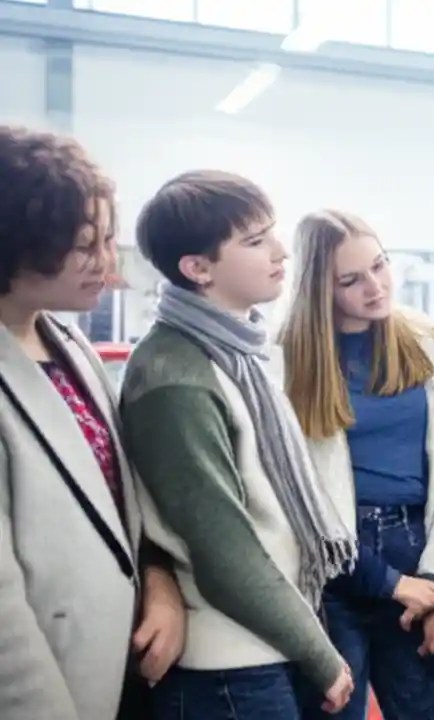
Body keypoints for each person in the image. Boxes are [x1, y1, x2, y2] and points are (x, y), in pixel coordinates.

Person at [119, 170, 357, 719]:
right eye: (255, 242)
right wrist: (321, 655)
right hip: (227, 665)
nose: (280, 252)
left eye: (272, 233)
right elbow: (223, 551)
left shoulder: (240, 350)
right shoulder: (174, 373)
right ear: (197, 268)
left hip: (269, 645)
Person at [0, 125, 187, 720]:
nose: (107, 266)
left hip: (119, 663)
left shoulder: (68, 342)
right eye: (84, 245)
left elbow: (117, 500)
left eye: (107, 240)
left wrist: (159, 581)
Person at [278, 209, 434, 720]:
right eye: (351, 279)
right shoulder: (287, 363)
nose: (375, 287)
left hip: (417, 550)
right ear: (319, 287)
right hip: (332, 570)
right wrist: (383, 582)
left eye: (380, 266)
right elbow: (299, 495)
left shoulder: (429, 347)